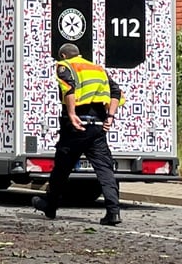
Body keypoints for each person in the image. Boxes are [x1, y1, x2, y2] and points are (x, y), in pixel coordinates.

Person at [32, 42, 122, 225]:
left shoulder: (65, 66)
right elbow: (116, 92)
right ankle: (113, 212)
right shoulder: (98, 69)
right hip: (97, 126)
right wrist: (110, 117)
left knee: (61, 168)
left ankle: (50, 205)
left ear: (64, 56)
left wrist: (72, 114)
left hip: (76, 126)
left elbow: (69, 88)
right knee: (105, 169)